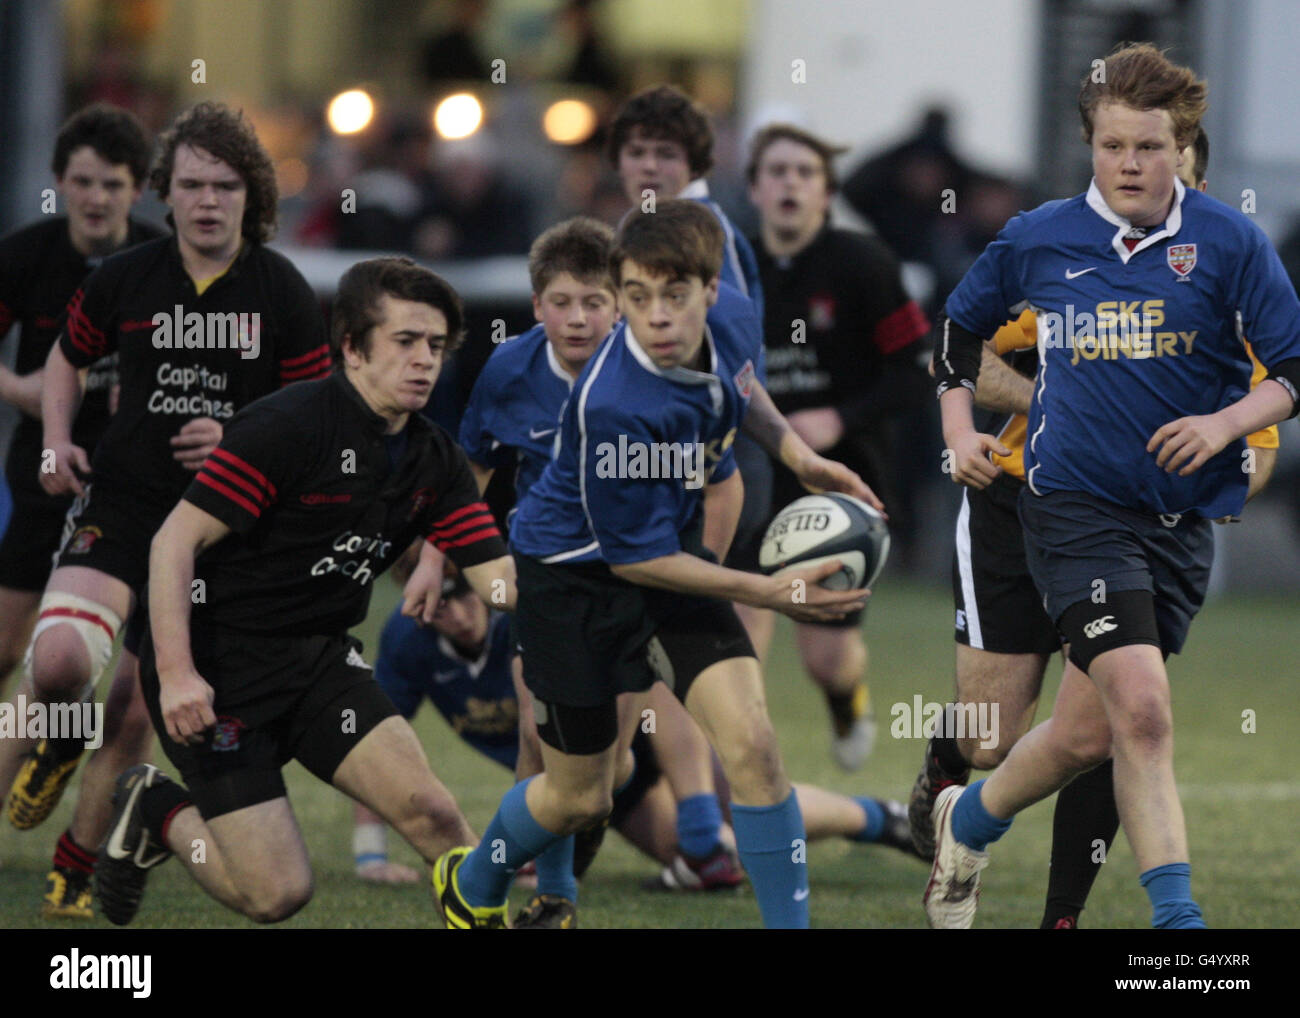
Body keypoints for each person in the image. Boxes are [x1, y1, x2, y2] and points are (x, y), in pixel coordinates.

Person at [926, 43, 1300, 929]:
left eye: (1150, 147)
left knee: (1092, 733)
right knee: (1144, 709)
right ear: (1089, 146)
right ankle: (1180, 929)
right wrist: (956, 432)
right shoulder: (1041, 235)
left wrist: (1223, 425)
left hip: (1178, 521)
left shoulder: (1230, 241)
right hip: (1073, 511)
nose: (1130, 164)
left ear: (1184, 149)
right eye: (1113, 146)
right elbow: (955, 336)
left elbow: (1288, 368)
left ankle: (968, 819)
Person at [431, 199, 878, 930]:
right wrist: (767, 591)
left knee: (756, 749)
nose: (657, 318)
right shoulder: (613, 405)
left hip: (668, 564)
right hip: (572, 583)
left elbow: (740, 383)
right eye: (636, 298)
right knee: (585, 796)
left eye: (674, 296)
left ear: (709, 289)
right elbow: (639, 564)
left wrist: (798, 454)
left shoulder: (733, 315)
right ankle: (473, 877)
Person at [94, 256, 517, 925]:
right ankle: (158, 810)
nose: (425, 361)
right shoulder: (288, 426)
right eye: (405, 341)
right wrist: (175, 675)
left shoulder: (435, 458)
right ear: (351, 347)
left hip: (320, 663)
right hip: (220, 670)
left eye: (436, 346)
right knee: (275, 895)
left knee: (436, 814)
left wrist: (583, 590)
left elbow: (498, 581)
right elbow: (171, 543)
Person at [9, 102, 330, 917]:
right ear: (168, 191)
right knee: (53, 667)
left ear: (251, 194)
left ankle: (75, 865)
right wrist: (53, 440)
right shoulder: (126, 277)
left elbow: (318, 420)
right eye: (191, 184)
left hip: (219, 536)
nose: (208, 201)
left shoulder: (282, 292)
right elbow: (63, 359)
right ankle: (55, 730)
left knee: (137, 712)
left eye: (225, 185)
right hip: (122, 503)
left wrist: (237, 438)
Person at [353, 565, 920, 898]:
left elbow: (649, 683)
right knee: (699, 862)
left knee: (732, 813)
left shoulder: (523, 619)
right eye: (436, 601)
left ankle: (881, 820)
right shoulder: (409, 645)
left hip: (648, 736)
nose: (452, 609)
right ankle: (581, 854)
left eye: (460, 590)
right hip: (593, 780)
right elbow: (381, 735)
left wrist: (694, 803)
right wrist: (368, 851)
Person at [0, 104, 161, 918]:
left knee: (130, 690)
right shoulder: (26, 257)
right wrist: (23, 389)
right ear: (59, 183)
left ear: (137, 191)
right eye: (82, 182)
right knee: (8, 649)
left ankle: (80, 854)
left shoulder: (159, 264)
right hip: (44, 478)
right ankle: (62, 735)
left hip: (135, 491)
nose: (95, 197)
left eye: (113, 184)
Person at [732, 123, 930, 769]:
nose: (790, 182)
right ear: (755, 188)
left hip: (840, 479)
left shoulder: (864, 264)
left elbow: (914, 371)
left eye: (805, 172)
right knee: (740, 637)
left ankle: (849, 701)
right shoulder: (734, 268)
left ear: (826, 191)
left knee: (827, 658)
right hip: (747, 477)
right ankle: (738, 777)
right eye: (777, 171)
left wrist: (839, 419)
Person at [607, 85, 769, 860]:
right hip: (667, 474)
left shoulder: (705, 236)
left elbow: (730, 363)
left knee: (687, 647)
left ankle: (704, 829)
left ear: (693, 162)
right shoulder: (634, 231)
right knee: (693, 660)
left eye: (664, 153)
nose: (648, 164)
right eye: (636, 151)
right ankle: (712, 832)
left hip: (709, 471)